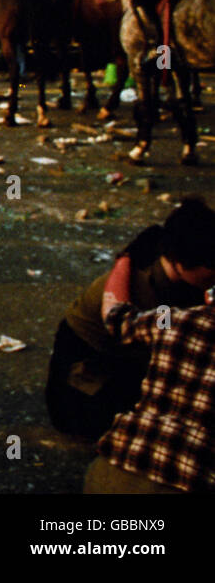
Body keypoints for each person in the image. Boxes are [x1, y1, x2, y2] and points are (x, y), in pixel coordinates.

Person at [47, 199, 214, 440]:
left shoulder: (166, 256)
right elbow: (171, 354)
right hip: (85, 390)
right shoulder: (146, 293)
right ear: (181, 262)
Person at [85, 197, 215, 493]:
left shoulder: (176, 321)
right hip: (190, 480)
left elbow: (116, 316)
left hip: (115, 469)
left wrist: (126, 258)